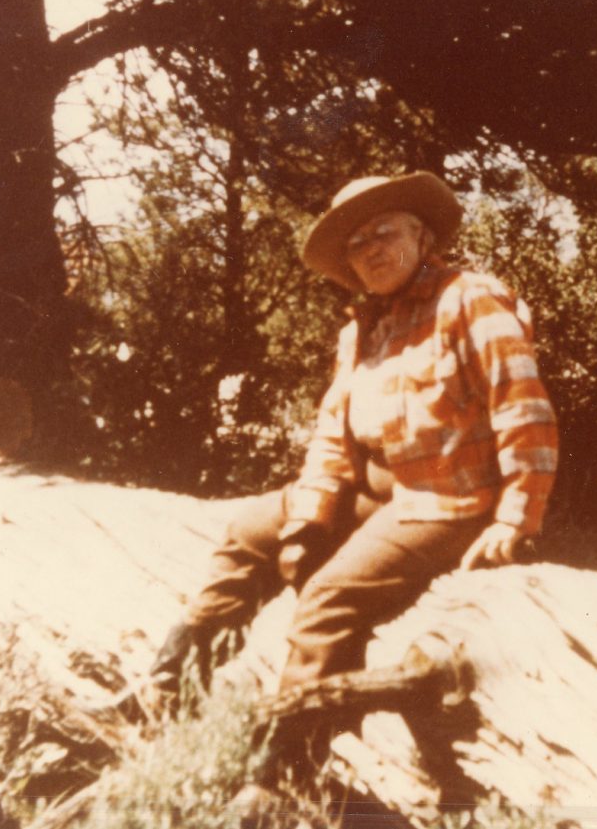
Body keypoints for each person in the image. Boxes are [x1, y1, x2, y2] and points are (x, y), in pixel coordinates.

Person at [128, 171, 558, 719]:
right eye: (357, 244)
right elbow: (333, 432)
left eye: (384, 232)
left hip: (449, 500)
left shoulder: (468, 300)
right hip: (376, 495)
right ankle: (168, 691)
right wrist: (308, 521)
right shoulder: (362, 330)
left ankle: (284, 769)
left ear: (422, 237)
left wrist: (514, 520)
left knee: (328, 597)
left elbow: (523, 407)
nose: (371, 250)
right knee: (246, 533)